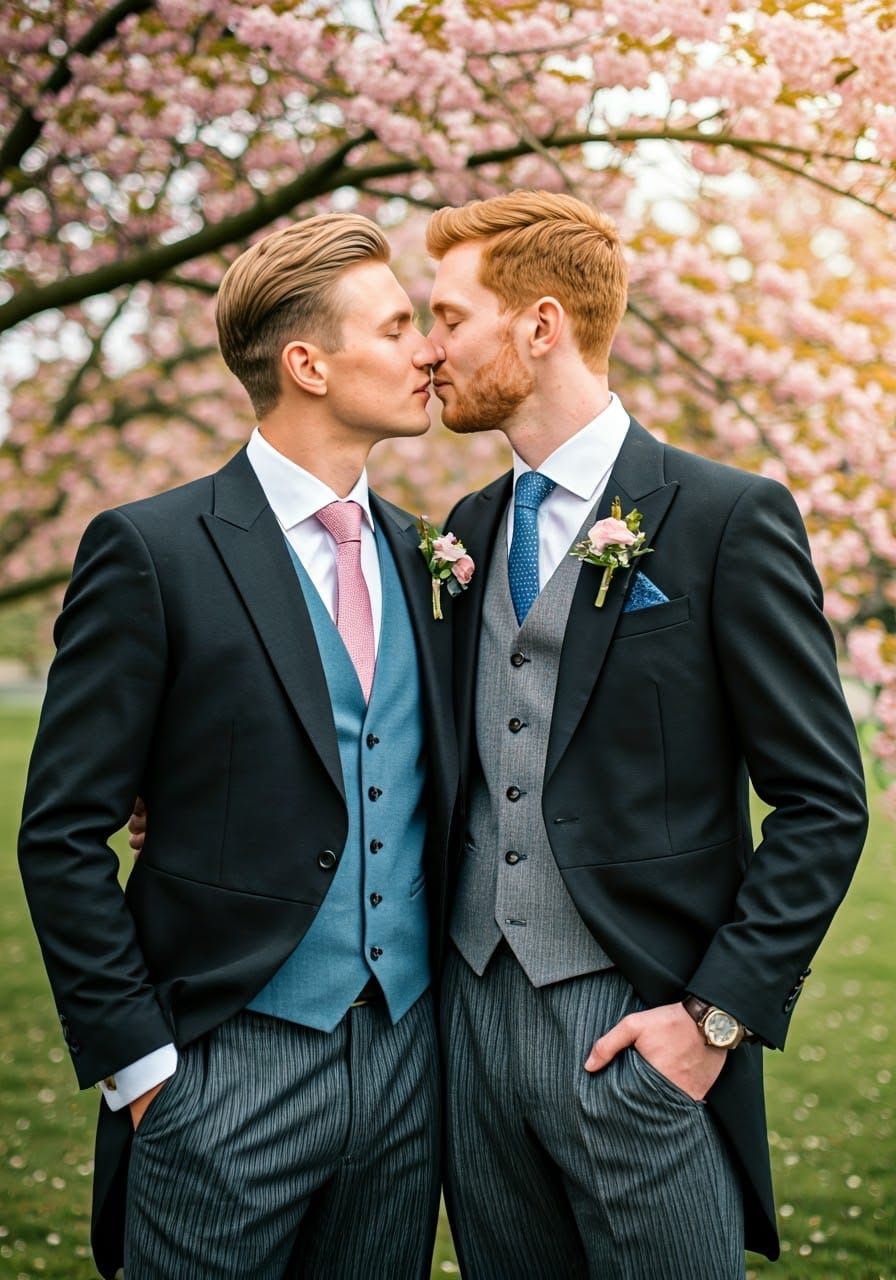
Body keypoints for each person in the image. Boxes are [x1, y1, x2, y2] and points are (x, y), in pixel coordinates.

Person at [426, 191, 868, 1278]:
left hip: (635, 1023)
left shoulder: (725, 516)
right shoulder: (465, 530)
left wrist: (711, 1019)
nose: (427, 350)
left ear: (539, 324)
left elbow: (820, 799)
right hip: (468, 1025)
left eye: (445, 316)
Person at [18, 213, 459, 1279]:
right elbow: (63, 830)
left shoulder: (427, 552)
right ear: (306, 362)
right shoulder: (152, 550)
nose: (428, 350)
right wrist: (143, 1066)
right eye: (397, 327)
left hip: (405, 1062)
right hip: (222, 1062)